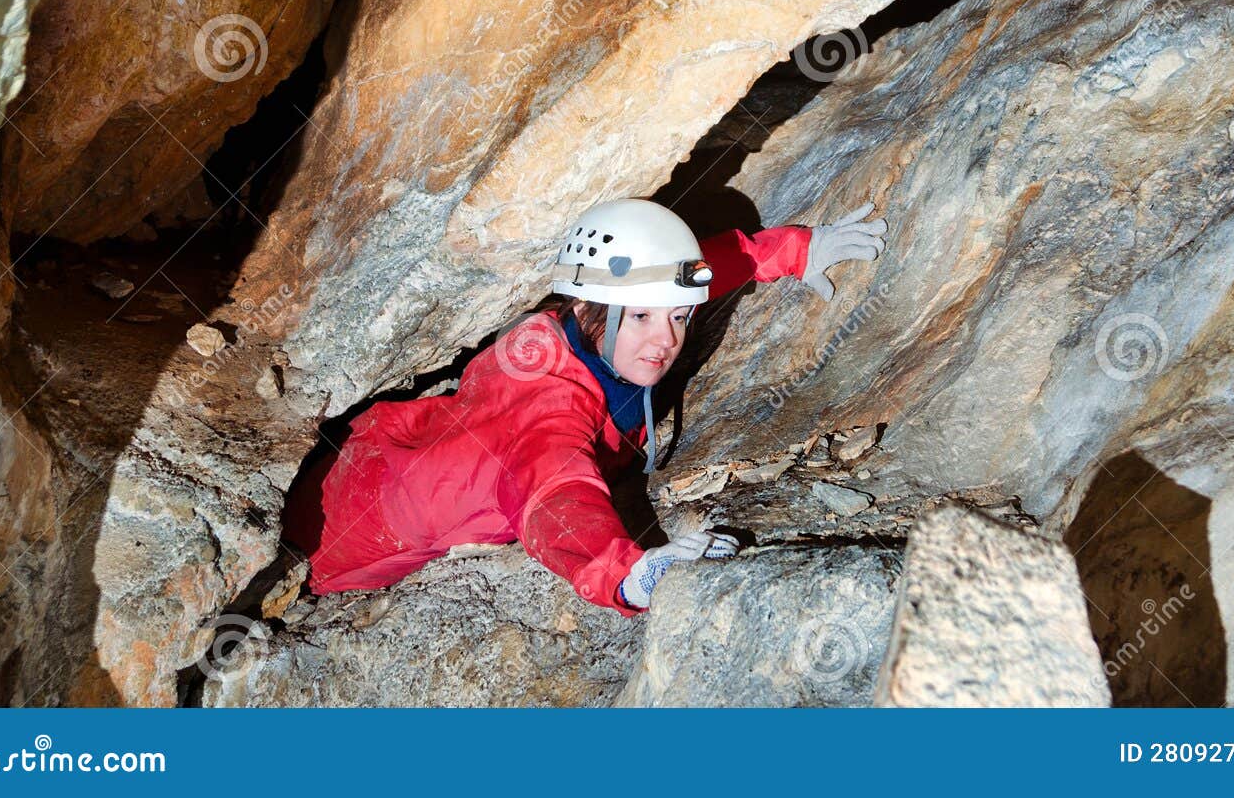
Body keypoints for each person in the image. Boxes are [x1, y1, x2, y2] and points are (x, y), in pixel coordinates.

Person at [280, 198, 887, 615]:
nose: (667, 339)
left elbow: (685, 274)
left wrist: (793, 251)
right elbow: (554, 496)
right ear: (596, 310)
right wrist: (629, 575)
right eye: (646, 318)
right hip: (343, 547)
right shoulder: (549, 407)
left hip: (378, 452)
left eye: (678, 317)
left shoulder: (591, 320)